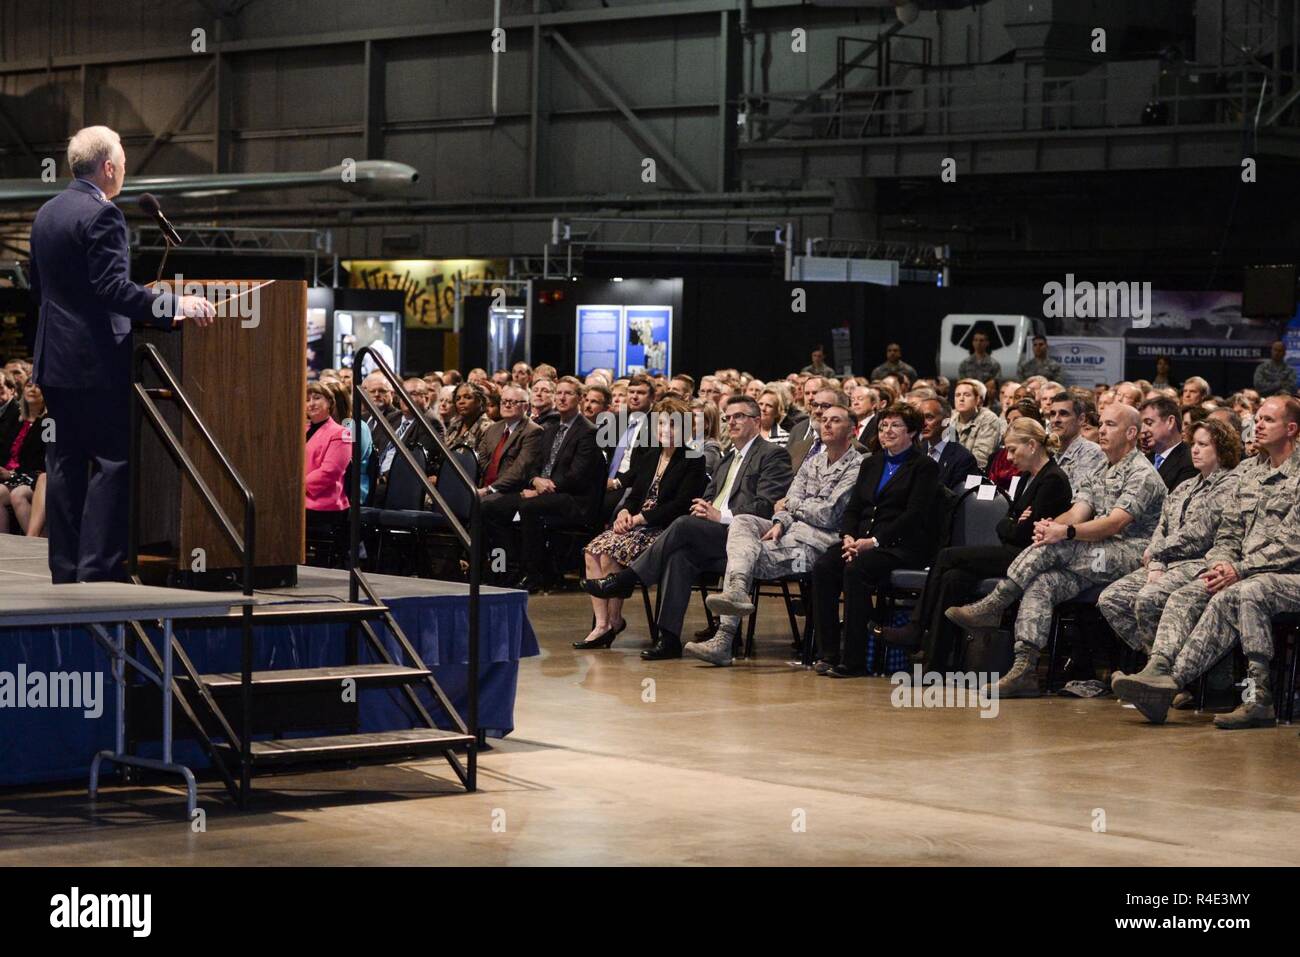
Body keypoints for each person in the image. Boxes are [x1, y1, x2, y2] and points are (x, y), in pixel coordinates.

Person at [27, 125, 215, 583]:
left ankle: (66, 568)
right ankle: (99, 569)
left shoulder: (46, 214)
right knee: (112, 461)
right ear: (108, 167)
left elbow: (41, 289)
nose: (125, 171)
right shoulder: (103, 215)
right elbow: (112, 289)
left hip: (54, 358)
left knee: (66, 463)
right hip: (95, 362)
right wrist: (175, 305)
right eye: (125, 164)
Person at [946, 403, 1167, 698]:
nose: (1101, 430)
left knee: (1054, 549)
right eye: (1101, 423)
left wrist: (1066, 533)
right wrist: (1051, 527)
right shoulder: (1101, 466)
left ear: (1130, 433)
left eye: (1110, 425)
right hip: (1093, 555)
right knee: (1042, 583)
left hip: (1132, 553)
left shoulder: (1143, 473)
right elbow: (1079, 511)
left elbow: (1115, 524)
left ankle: (995, 604)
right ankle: (1024, 669)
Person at [1111, 395, 1300, 727]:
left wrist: (1239, 569)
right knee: (1189, 593)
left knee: (1243, 593)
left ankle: (1256, 696)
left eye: (1268, 420)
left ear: (1292, 429)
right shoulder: (1248, 471)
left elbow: (1292, 543)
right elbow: (1228, 530)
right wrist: (1221, 563)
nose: (1258, 424)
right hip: (1240, 570)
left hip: (1288, 572)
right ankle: (1159, 671)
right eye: (1257, 418)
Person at [583, 394, 793, 660]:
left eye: (739, 416)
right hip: (711, 531)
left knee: (682, 523)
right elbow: (706, 495)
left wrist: (720, 515)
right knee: (678, 556)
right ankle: (668, 639)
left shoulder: (773, 455)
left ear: (757, 419)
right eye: (728, 417)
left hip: (744, 535)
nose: (732, 422)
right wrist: (703, 508)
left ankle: (629, 578)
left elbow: (765, 506)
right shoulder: (729, 458)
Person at [883, 417, 1073, 669]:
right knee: (953, 578)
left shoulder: (1052, 479)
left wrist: (1013, 523)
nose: (1009, 458)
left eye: (1013, 450)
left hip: (1029, 556)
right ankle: (935, 660)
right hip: (1015, 549)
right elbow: (1007, 524)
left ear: (1031, 445)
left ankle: (917, 628)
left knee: (947, 556)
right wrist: (1014, 522)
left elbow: (1020, 533)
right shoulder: (1031, 478)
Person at [808, 402, 939, 677]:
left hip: (902, 545)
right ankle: (828, 652)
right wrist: (848, 537)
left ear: (912, 432)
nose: (886, 431)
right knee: (824, 566)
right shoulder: (872, 462)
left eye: (894, 426)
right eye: (882, 426)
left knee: (856, 571)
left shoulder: (924, 467)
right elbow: (854, 507)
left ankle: (854, 660)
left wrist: (875, 541)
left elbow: (914, 515)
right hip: (861, 541)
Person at [1098, 419, 1241, 658]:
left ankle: (1167, 670)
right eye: (1194, 443)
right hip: (1166, 561)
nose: (1194, 449)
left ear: (1222, 450)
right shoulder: (1185, 486)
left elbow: (1198, 535)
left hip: (1198, 562)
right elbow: (1161, 527)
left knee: (1148, 598)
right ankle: (1159, 661)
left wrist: (1156, 555)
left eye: (1203, 445)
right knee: (1112, 599)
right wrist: (1156, 563)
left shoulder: (1231, 484)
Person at [576, 397, 707, 650]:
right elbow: (635, 494)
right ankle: (604, 624)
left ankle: (613, 623)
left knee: (610, 554)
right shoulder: (649, 455)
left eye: (673, 426)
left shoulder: (694, 458)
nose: (665, 431)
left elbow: (679, 505)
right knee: (593, 551)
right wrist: (625, 511)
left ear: (686, 429)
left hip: (664, 528)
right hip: (636, 523)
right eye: (661, 425)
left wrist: (640, 518)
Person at [483, 376, 604, 591]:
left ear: (581, 399)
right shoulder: (549, 428)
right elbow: (534, 466)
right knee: (492, 506)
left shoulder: (589, 431)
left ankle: (534, 574)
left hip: (574, 499)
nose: (562, 397)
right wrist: (534, 480)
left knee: (529, 506)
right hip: (544, 492)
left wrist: (542, 490)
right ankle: (506, 566)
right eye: (559, 393)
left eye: (568, 393)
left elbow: (577, 476)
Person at [0, 382, 53, 535]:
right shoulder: (16, 418)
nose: (33, 389)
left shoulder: (49, 422)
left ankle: (35, 543)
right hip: (10, 476)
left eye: (38, 386)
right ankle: (5, 545)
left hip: (35, 476)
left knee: (18, 495)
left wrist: (13, 474)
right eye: (29, 385)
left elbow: (48, 457)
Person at [476, 384, 543, 497]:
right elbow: (481, 459)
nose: (507, 405)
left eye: (513, 402)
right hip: (483, 486)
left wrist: (490, 489)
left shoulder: (533, 431)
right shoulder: (493, 428)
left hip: (510, 491)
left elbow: (519, 470)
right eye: (504, 401)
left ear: (526, 407)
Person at [305, 382, 352, 543]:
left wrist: (297, 487)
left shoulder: (342, 433)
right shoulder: (300, 430)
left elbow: (330, 472)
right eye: (307, 399)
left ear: (330, 403)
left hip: (324, 503)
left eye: (317, 398)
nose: (311, 403)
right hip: (298, 498)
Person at [1048, 392, 1107, 491]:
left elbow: (1078, 497)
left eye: (1063, 414)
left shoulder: (1092, 453)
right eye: (1053, 414)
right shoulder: (1048, 452)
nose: (1056, 420)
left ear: (1081, 419)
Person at [918, 396, 978, 491]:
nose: (923, 423)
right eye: (920, 418)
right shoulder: (916, 451)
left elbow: (959, 500)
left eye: (929, 417)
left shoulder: (963, 459)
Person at [984, 399, 1043, 492]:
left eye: (1016, 420)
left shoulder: (1036, 460)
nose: (1010, 426)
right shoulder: (994, 457)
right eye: (1008, 421)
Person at [1140, 395, 1198, 490]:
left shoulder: (1190, 461)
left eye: (1149, 423)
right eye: (1141, 425)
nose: (1142, 430)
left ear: (1170, 422)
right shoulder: (1145, 460)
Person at [949, 378, 1004, 469]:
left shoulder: (989, 419)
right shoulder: (950, 417)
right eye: (957, 395)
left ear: (978, 399)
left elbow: (981, 459)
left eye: (967, 395)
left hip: (974, 474)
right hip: (951, 471)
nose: (961, 399)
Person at [444, 382, 492, 452]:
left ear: (479, 401)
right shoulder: (454, 425)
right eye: (458, 399)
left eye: (468, 397)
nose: (461, 402)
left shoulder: (488, 428)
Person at [687, 399, 724, 478]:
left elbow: (695, 474)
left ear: (707, 424)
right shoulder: (683, 440)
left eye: (694, 415)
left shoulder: (711, 449)